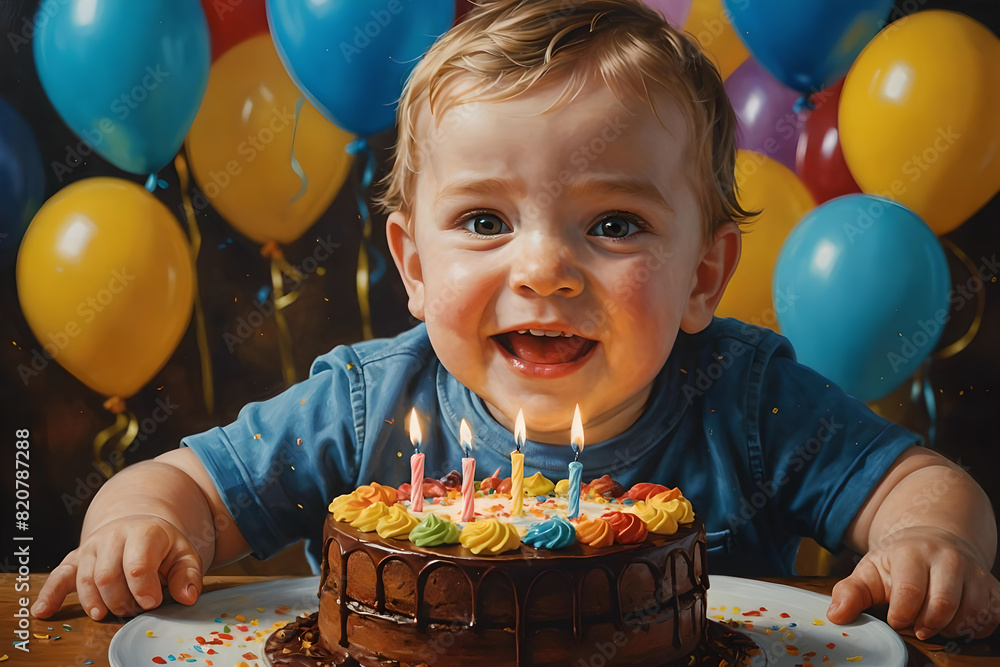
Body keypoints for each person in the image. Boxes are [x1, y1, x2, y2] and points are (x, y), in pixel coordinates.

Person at [33, 0, 998, 643]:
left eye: (614, 224)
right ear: (413, 264)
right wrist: (144, 524)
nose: (543, 268)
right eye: (485, 221)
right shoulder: (370, 402)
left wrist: (931, 544)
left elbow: (921, 482)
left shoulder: (746, 397)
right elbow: (179, 486)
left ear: (706, 273)